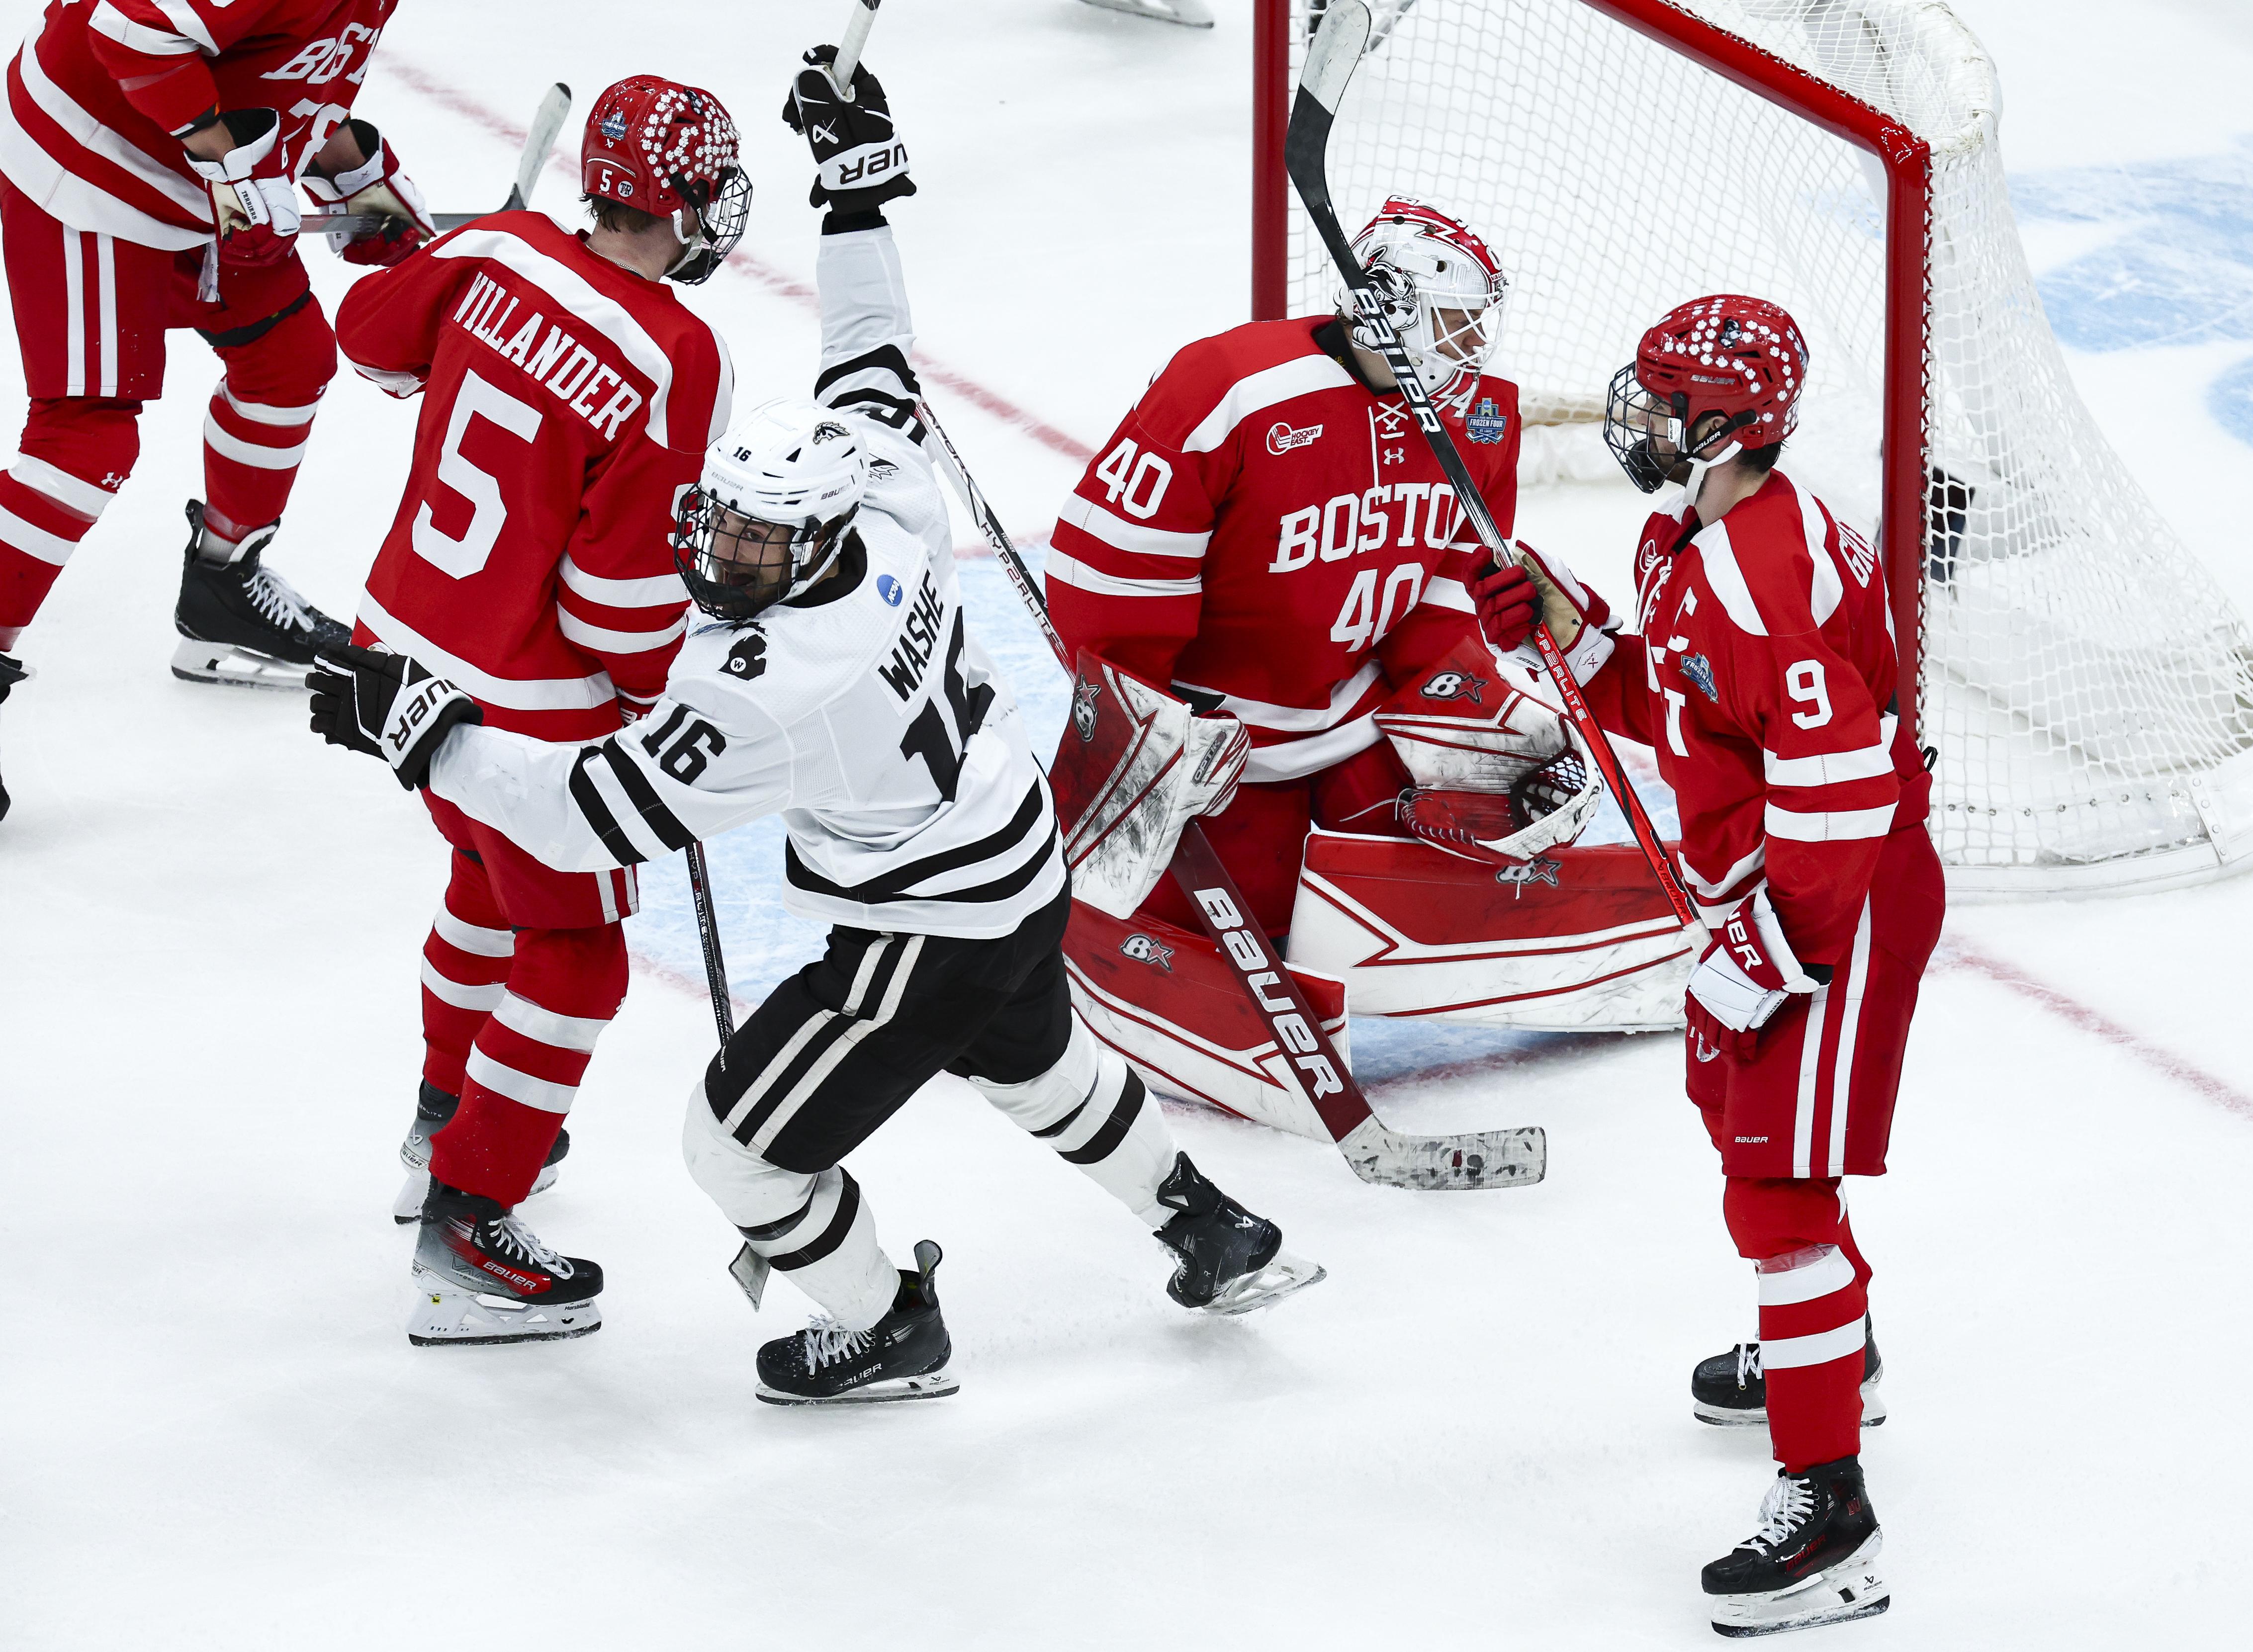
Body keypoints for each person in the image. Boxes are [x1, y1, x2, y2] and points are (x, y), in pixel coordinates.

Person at [305, 52, 1321, 1398]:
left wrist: (422, 726)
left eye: (749, 543)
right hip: (1009, 854)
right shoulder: (894, 494)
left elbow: (584, 805)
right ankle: (1212, 1224)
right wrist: (855, 195)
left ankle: (887, 1322)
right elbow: (871, 350)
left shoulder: (762, 689)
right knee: (1035, 1061)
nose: (720, 556)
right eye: (725, 524)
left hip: (921, 917)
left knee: (736, 1148)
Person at [1469, 295, 1940, 1636]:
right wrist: (1565, 625)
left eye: (1666, 399)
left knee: (1776, 1188)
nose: (1640, 416)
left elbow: (1844, 795)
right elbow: (1677, 708)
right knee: (1731, 1125)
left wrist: (1778, 947)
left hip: (1836, 900)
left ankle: (1831, 1511)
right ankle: (1831, 1354)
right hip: (1779, 888)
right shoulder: (1690, 533)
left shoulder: (1763, 574)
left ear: (1729, 422)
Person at [322, 74, 743, 1343]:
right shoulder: (677, 350)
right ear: (683, 202)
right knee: (575, 950)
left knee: (481, 887)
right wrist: (676, 701)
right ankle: (469, 1223)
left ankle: (444, 1122)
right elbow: (620, 604)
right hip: (528, 700)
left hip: (394, 653)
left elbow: (371, 341)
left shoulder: (497, 244)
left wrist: (453, 262)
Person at [0, 0, 434, 822]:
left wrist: (349, 172)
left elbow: (285, 63)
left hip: (194, 175)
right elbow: (131, 33)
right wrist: (235, 173)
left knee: (287, 361)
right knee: (83, 437)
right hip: (89, 169)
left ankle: (221, 592)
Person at [1047, 194, 1521, 939]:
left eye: (1477, 319)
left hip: (1360, 717)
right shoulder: (1231, 386)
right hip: (1224, 734)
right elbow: (1109, 568)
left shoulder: (1482, 413)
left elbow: (1451, 570)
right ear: (1386, 312)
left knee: (1464, 862)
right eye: (1454, 317)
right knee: (1223, 920)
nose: (1472, 341)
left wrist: (1448, 695)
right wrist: (1148, 721)